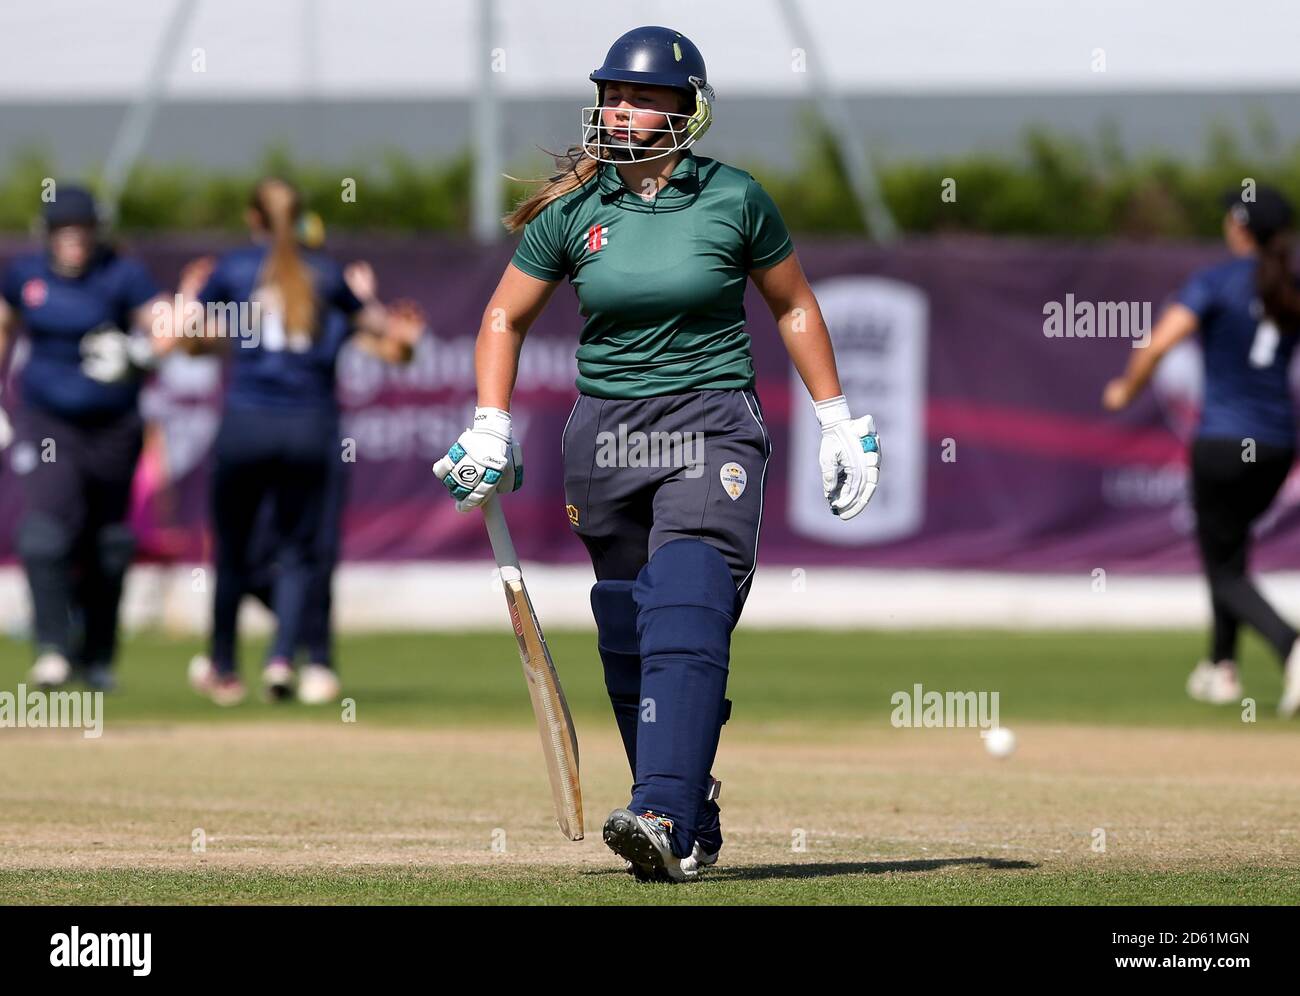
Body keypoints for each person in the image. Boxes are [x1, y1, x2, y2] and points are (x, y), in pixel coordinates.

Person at [433, 26, 880, 882]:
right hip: (605, 435)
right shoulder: (573, 209)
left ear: (687, 109)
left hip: (711, 423)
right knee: (629, 624)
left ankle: (662, 811)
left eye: (639, 96)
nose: (620, 109)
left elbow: (792, 305)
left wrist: (837, 418)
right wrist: (491, 423)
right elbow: (504, 317)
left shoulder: (735, 198)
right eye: (611, 94)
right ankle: (684, 810)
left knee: (686, 598)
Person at [179, 178, 422, 706]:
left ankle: (223, 668)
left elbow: (190, 340)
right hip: (311, 427)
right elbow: (387, 335)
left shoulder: (234, 269)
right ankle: (282, 659)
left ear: (253, 220)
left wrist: (190, 299)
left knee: (233, 551)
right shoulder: (327, 274)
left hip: (246, 423)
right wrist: (396, 325)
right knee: (298, 552)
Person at [1103, 184, 1300, 717]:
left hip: (1223, 443)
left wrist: (1126, 389)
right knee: (1229, 550)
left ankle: (1289, 644)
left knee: (1222, 567)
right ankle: (1221, 668)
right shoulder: (1290, 281)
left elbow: (1160, 343)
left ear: (1238, 226)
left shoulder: (1216, 280)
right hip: (1279, 445)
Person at [0, 185, 170, 690]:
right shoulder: (25, 277)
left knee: (109, 544)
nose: (74, 241)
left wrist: (144, 356)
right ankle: (52, 648)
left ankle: (96, 656)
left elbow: (168, 324)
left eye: (83, 230)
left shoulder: (123, 274)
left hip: (114, 430)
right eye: (64, 231)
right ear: (49, 235)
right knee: (46, 532)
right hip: (50, 423)